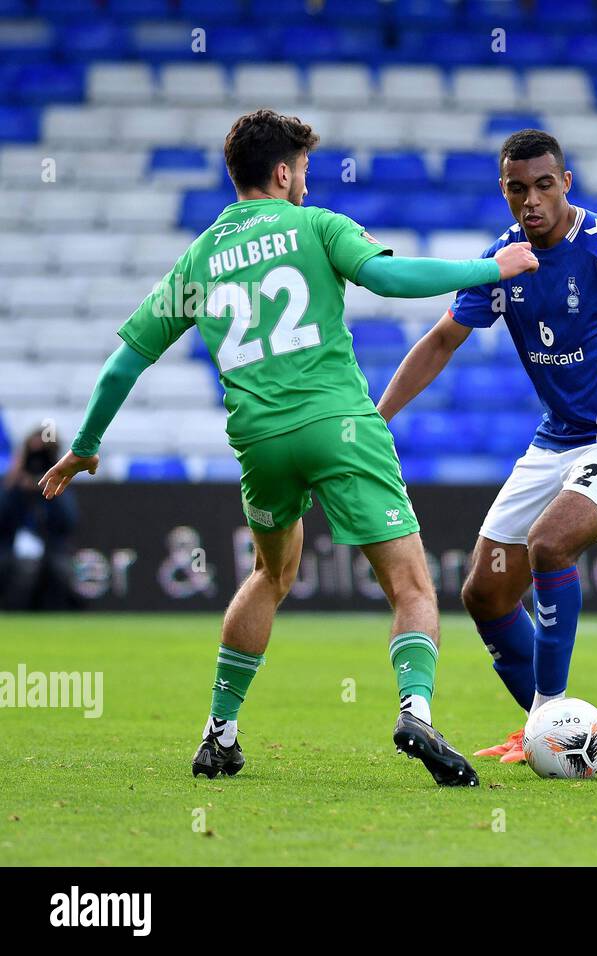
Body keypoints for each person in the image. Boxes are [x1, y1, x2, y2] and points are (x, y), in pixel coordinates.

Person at [38, 109, 539, 786]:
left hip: (259, 440)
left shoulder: (200, 257)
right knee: (411, 585)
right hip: (338, 425)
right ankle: (415, 711)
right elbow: (389, 281)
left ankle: (220, 734)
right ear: (282, 172)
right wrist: (491, 267)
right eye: (302, 168)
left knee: (271, 577)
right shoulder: (317, 226)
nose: (306, 179)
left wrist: (85, 446)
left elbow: (124, 363)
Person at [378, 130, 597, 764]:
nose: (530, 200)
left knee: (550, 543)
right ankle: (544, 723)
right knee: (485, 592)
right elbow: (443, 340)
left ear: (566, 183)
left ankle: (551, 718)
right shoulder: (505, 261)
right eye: (516, 189)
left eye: (542, 185)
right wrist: (376, 417)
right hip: (556, 437)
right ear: (504, 193)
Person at [1, 427, 79, 609]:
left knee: (61, 570)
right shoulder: (12, 483)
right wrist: (15, 483)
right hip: (9, 548)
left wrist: (53, 488)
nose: (37, 462)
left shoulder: (61, 484)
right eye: (32, 455)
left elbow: (69, 522)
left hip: (52, 550)